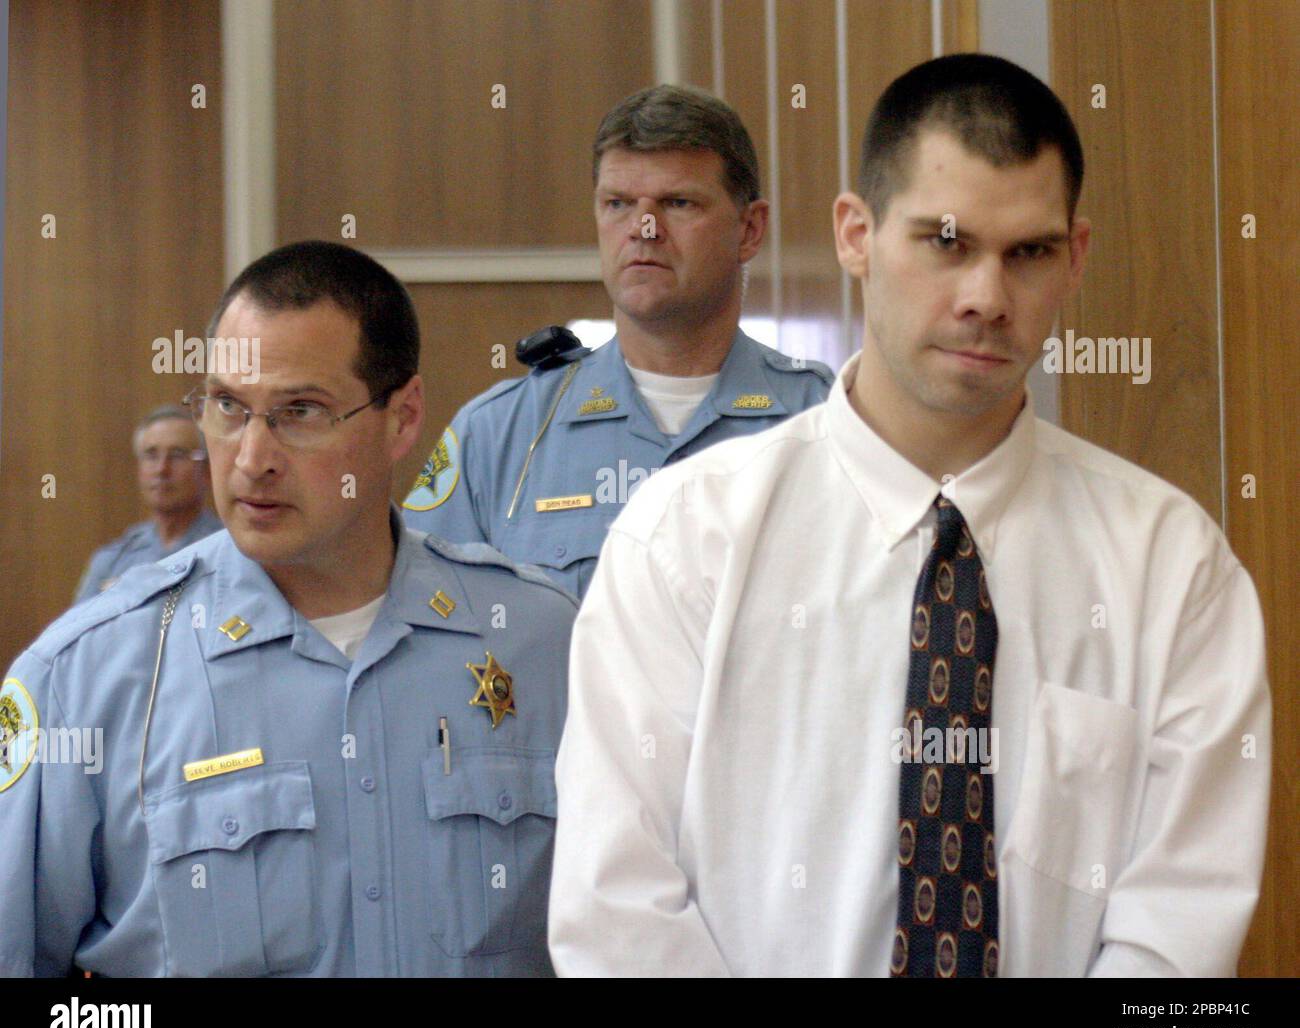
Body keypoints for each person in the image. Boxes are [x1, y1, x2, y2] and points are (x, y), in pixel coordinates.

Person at [548, 54, 1271, 977]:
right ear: (856, 234)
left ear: (1075, 257)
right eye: (945, 241)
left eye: (1030, 253)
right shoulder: (683, 540)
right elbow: (615, 912)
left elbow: (1182, 942)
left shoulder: (1172, 568)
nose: (985, 296)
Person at [0, 240, 576, 977]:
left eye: (299, 412)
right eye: (228, 408)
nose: (250, 457)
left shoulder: (543, 639)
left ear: (403, 418)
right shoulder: (87, 676)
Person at [401, 84, 833, 599]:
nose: (643, 228)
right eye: (618, 204)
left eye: (677, 202)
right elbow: (426, 631)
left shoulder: (829, 421)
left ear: (749, 229)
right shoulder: (499, 436)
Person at [73, 407, 222, 602]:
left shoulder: (229, 551)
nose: (162, 469)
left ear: (207, 469)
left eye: (177, 455)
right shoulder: (113, 560)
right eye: (151, 455)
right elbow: (79, 629)